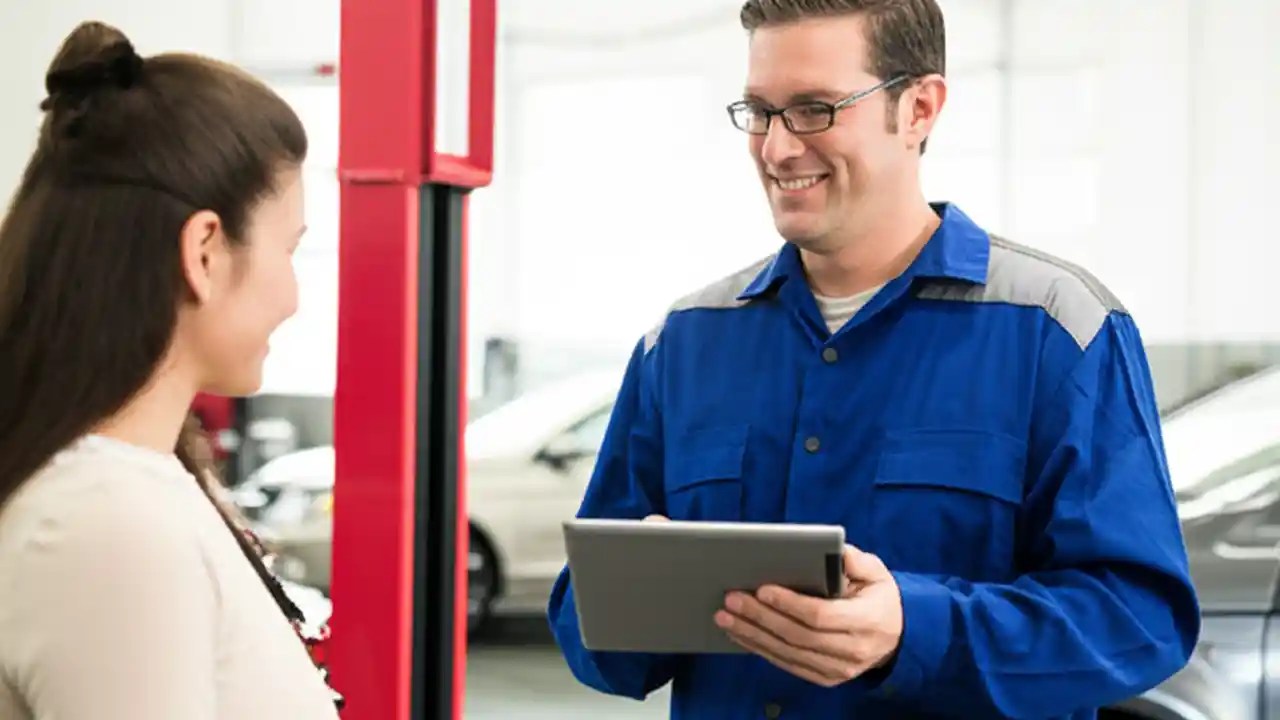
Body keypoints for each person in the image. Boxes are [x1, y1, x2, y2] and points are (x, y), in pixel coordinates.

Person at [547, 1, 1200, 718]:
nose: (777, 149)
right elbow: (586, 630)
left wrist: (913, 631)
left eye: (814, 110)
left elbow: (1138, 620)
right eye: (760, 112)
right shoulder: (685, 343)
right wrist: (632, 599)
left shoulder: (1058, 330)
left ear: (919, 109)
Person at [0, 21, 341, 719]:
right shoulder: (109, 522)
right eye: (289, 250)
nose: (294, 296)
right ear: (204, 251)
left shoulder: (127, 491)